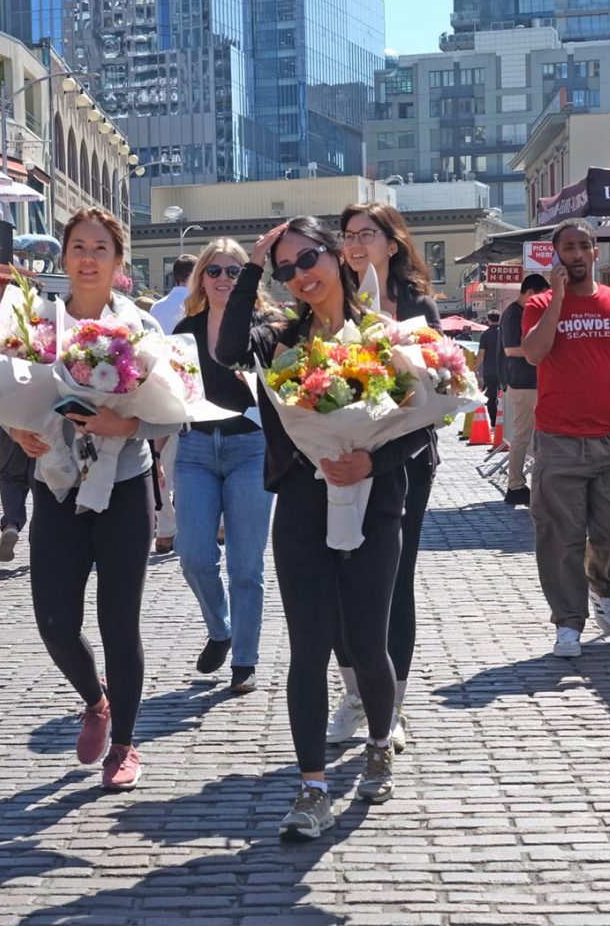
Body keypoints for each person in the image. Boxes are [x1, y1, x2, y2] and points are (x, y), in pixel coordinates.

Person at [217, 216, 431, 840]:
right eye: (285, 270)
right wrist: (253, 265)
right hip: (303, 506)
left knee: (368, 643)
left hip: (376, 499)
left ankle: (380, 742)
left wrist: (373, 459)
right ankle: (311, 787)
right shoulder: (278, 338)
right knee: (309, 648)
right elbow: (228, 348)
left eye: (307, 259)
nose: (300, 276)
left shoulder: (385, 334)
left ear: (338, 254)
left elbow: (423, 423)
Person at [8, 208, 181, 792]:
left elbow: (168, 414)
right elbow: (9, 392)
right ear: (64, 258)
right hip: (55, 481)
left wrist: (125, 427)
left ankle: (127, 743)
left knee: (118, 621)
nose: (88, 257)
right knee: (54, 620)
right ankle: (95, 700)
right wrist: (16, 430)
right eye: (78, 246)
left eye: (100, 248)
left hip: (124, 486)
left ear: (118, 261)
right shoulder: (38, 326)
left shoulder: (141, 330)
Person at [326, 202, 442, 754]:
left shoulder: (416, 303)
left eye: (365, 234)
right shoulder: (328, 297)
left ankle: (390, 706)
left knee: (394, 582)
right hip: (338, 457)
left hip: (406, 461)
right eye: (347, 235)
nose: (354, 244)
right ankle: (354, 695)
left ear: (391, 244)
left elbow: (442, 380)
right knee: (339, 583)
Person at [521, 219, 610, 659]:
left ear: (596, 252)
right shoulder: (540, 303)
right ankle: (567, 622)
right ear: (556, 255)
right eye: (567, 248)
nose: (576, 254)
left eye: (583, 246)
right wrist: (558, 299)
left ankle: (602, 585)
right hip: (557, 438)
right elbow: (534, 353)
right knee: (560, 535)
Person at [171, 239, 275, 695]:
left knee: (245, 565)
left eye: (234, 272)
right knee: (193, 555)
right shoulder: (184, 329)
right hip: (194, 448)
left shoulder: (265, 327)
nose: (223, 280)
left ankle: (245, 659)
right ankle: (220, 629)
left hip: (250, 449)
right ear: (201, 279)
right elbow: (170, 391)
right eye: (214, 271)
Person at [148, 254, 197, 553]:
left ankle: (165, 529)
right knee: (198, 460)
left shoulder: (157, 307)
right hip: (195, 391)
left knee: (159, 462)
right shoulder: (200, 303)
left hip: (160, 390)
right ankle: (210, 524)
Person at [500, 274, 549, 507]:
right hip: (523, 383)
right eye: (540, 297)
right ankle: (515, 486)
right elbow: (511, 349)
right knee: (522, 434)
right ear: (530, 293)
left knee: (530, 434)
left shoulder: (523, 312)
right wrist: (538, 352)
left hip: (530, 383)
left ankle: (524, 483)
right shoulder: (513, 314)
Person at [0, 422, 32, 562]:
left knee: (10, 477)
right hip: (41, 422)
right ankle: (40, 535)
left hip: (7, 423)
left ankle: (12, 524)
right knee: (41, 481)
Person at [475, 310, 502, 426]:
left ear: (488, 320)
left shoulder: (485, 335)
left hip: (489, 371)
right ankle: (505, 421)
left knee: (491, 397)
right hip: (503, 370)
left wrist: (475, 368)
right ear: (499, 319)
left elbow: (481, 353)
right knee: (505, 396)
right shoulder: (504, 333)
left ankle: (493, 422)